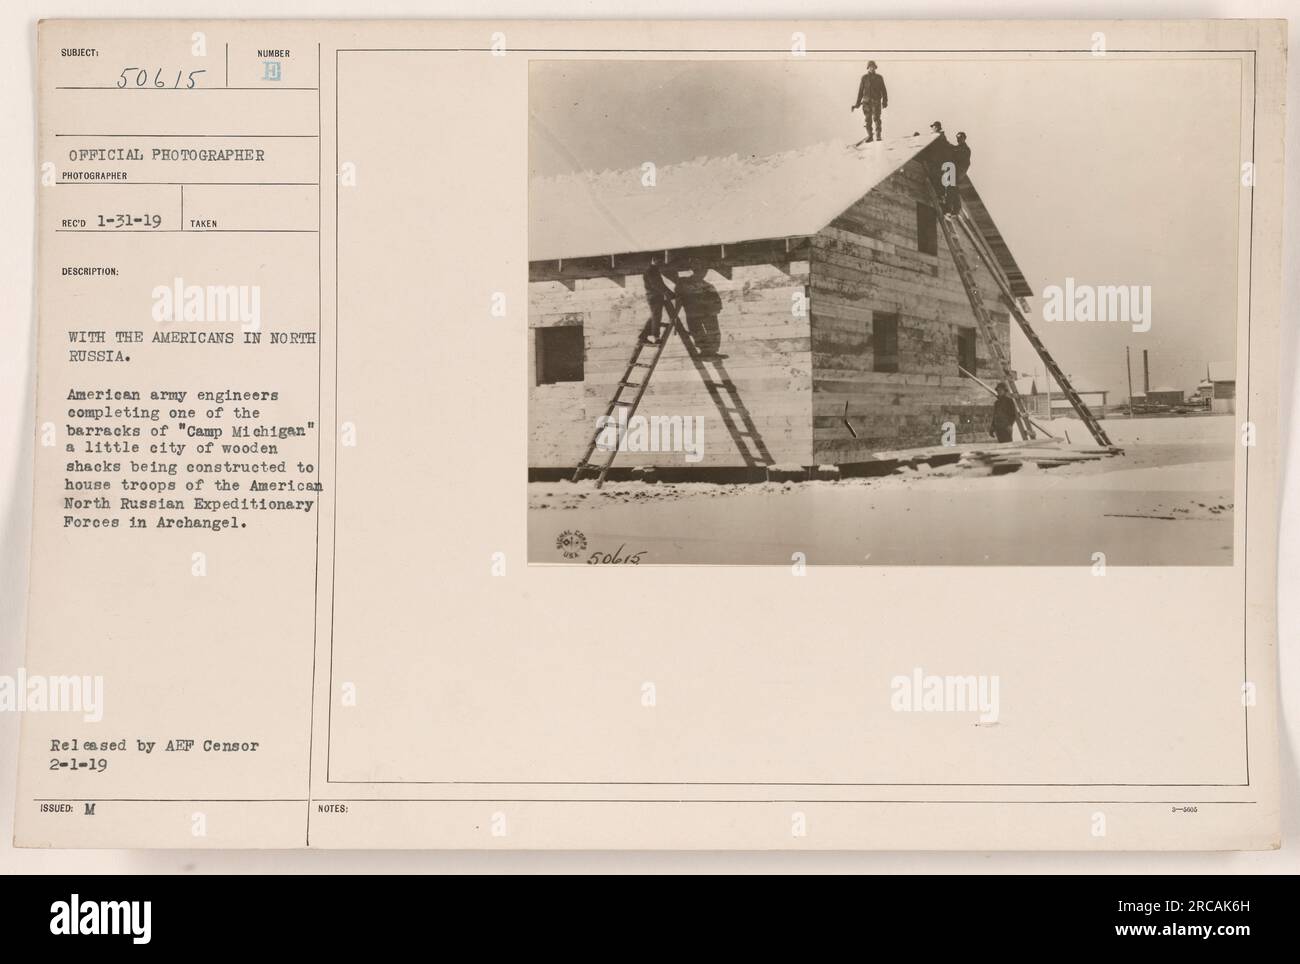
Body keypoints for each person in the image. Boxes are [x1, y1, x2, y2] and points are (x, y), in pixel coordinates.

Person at [641, 260, 677, 345]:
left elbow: (660, 284)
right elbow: (657, 285)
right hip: (654, 297)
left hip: (655, 296)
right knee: (656, 316)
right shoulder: (652, 270)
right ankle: (656, 337)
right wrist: (669, 293)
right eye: (658, 260)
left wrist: (670, 293)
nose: (660, 262)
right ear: (653, 260)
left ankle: (643, 336)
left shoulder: (653, 269)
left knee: (654, 316)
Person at [851, 61, 888, 144]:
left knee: (877, 119)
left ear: (875, 67)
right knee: (868, 120)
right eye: (870, 66)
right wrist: (857, 104)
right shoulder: (864, 78)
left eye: (873, 66)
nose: (872, 68)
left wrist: (885, 101)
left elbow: (884, 90)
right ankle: (870, 136)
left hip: (876, 102)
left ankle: (878, 135)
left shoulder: (879, 78)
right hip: (866, 103)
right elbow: (860, 91)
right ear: (868, 67)